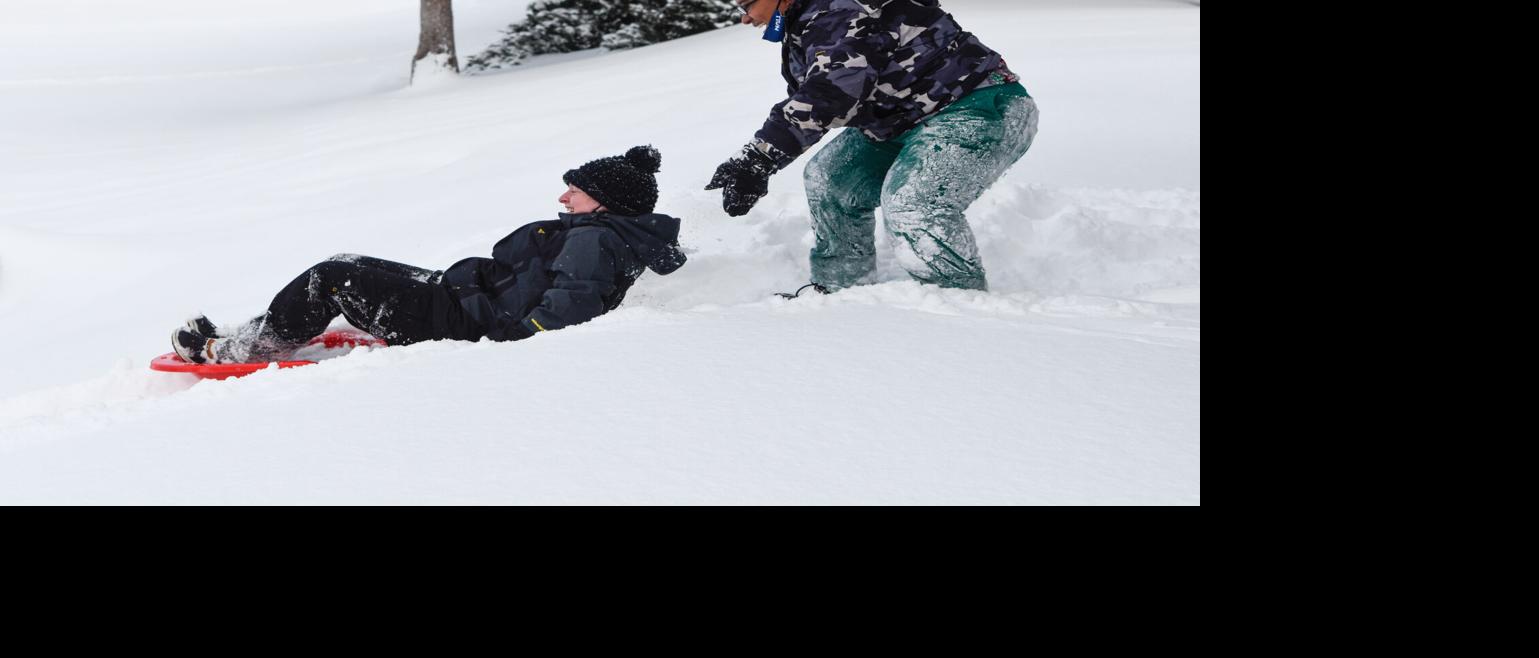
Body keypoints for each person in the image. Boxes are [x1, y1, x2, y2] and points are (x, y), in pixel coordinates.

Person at [173, 146, 686, 364]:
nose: (563, 197)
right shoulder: (598, 231)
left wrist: (506, 345)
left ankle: (236, 351)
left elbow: (567, 309)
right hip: (460, 293)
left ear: (607, 199)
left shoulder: (593, 240)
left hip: (460, 318)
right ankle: (262, 329)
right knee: (347, 261)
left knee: (331, 277)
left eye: (574, 189)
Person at [705, 0, 1037, 292]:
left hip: (979, 105)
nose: (745, 18)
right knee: (830, 179)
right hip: (902, 120)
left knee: (912, 205)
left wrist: (760, 157)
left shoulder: (839, 11)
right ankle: (844, 289)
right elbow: (819, 96)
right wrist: (757, 159)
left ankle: (959, 304)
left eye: (746, 5)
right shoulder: (809, 19)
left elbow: (828, 96)